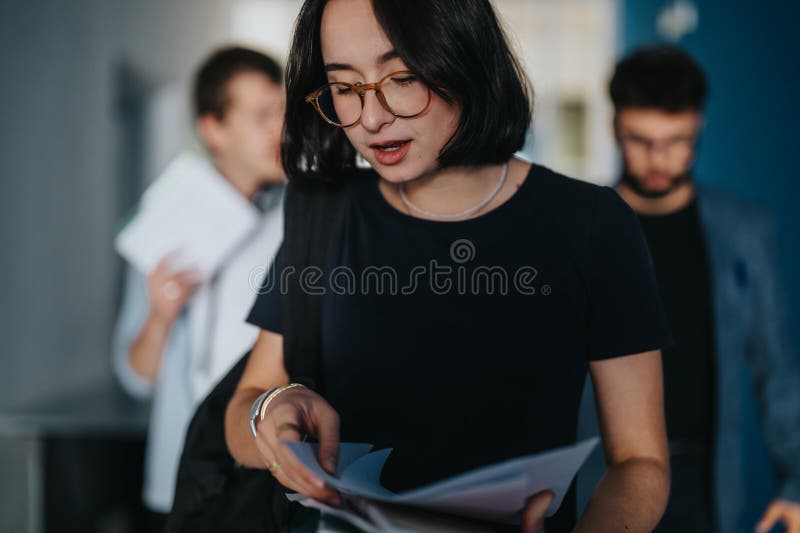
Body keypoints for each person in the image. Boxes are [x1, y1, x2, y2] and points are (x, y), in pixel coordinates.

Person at [224, 1, 674, 531]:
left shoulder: (592, 224)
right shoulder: (325, 214)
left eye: (403, 77)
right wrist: (271, 414)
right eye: (345, 88)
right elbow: (242, 414)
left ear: (466, 61)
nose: (371, 119)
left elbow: (640, 463)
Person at [580, 45, 800, 533]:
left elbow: (777, 367)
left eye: (677, 141)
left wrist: (796, 481)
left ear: (699, 127)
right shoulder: (578, 225)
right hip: (602, 481)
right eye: (641, 140)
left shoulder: (745, 230)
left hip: (704, 482)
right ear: (616, 127)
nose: (660, 158)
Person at [112, 46, 286, 531]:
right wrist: (160, 316)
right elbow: (132, 376)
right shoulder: (165, 228)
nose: (279, 128)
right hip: (176, 478)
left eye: (282, 112)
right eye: (260, 115)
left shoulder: (299, 220)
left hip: (262, 469)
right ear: (213, 128)